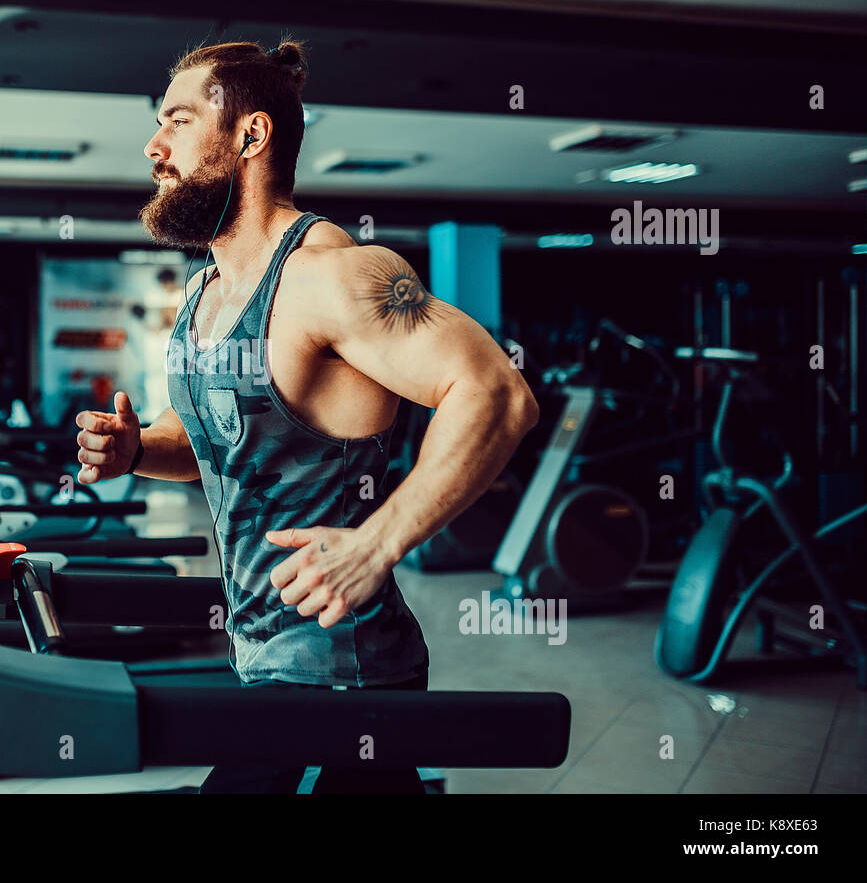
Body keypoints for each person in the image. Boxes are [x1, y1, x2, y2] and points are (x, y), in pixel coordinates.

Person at [74, 40, 538, 793]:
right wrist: (138, 450)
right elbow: (207, 441)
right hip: (262, 662)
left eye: (178, 121)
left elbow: (496, 393)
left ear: (250, 136)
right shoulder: (205, 294)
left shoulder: (337, 276)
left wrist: (375, 543)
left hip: (346, 679)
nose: (154, 147)